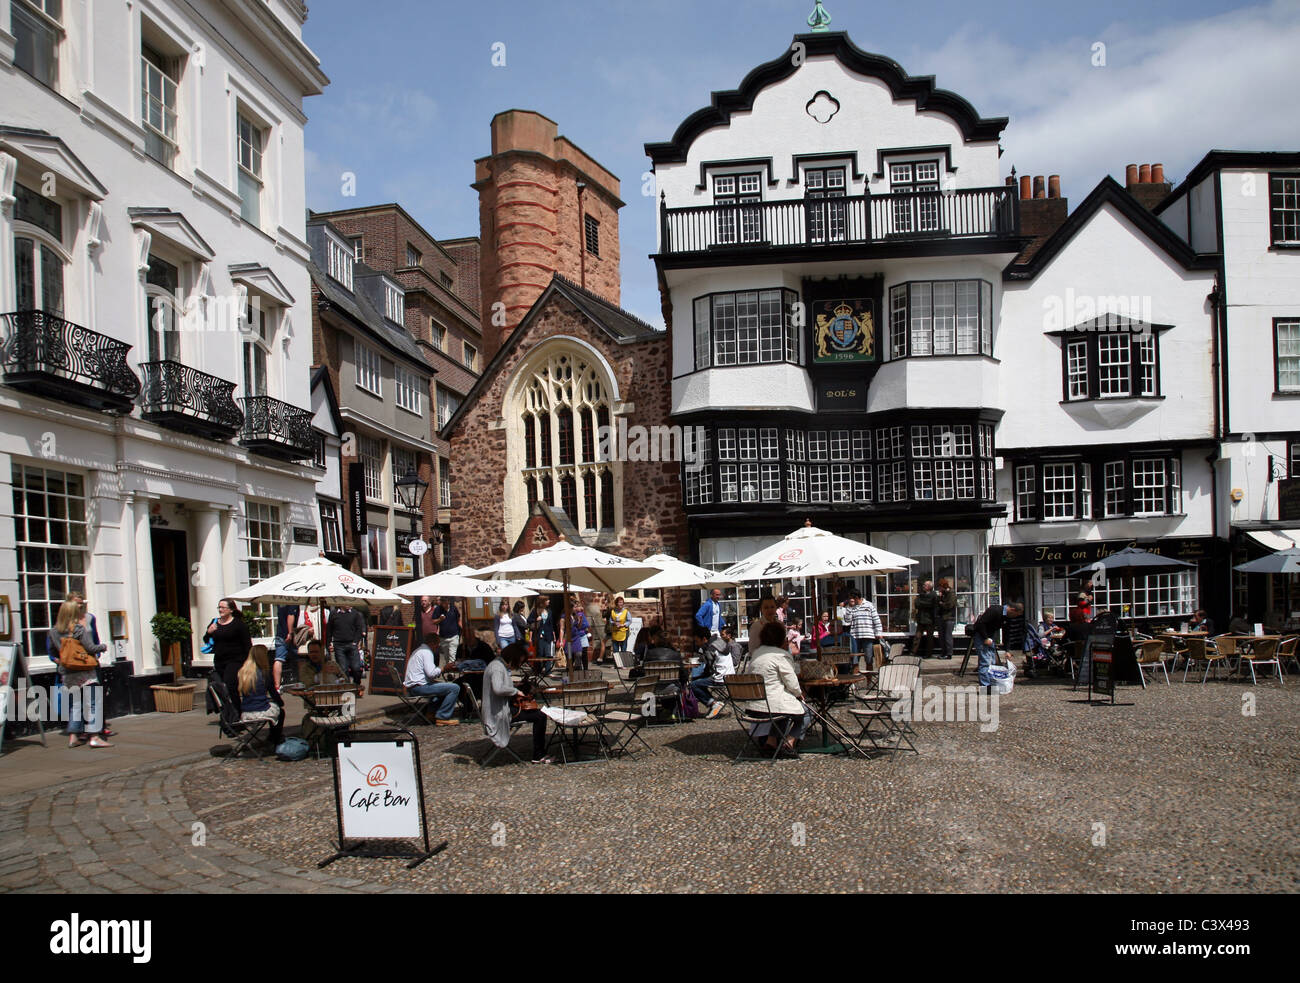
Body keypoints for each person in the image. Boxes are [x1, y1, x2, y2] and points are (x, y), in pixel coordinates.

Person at [51, 598, 111, 748]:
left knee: (75, 704)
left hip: (67, 672)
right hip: (84, 670)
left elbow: (56, 651)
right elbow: (90, 648)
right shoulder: (77, 629)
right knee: (93, 703)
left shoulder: (53, 631)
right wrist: (103, 647)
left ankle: (73, 737)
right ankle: (95, 737)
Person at [746, 621, 812, 755]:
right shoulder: (781, 655)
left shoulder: (757, 654)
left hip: (753, 706)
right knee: (807, 712)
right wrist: (799, 694)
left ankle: (771, 742)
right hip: (772, 705)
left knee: (784, 710)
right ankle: (789, 742)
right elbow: (792, 682)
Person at [483, 641, 552, 764]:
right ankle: (538, 754)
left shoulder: (497, 665)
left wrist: (516, 686)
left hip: (498, 709)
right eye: (519, 662)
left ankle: (539, 752)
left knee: (537, 713)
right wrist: (515, 691)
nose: (519, 665)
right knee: (540, 716)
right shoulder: (497, 668)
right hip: (498, 713)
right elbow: (498, 688)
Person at [204, 598, 252, 713]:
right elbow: (206, 640)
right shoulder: (214, 622)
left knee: (230, 686)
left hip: (235, 660)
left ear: (231, 610)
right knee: (221, 689)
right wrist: (208, 632)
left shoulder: (238, 624)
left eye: (223, 607)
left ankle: (236, 714)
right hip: (220, 661)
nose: (220, 610)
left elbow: (247, 645)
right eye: (219, 607)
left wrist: (248, 662)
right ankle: (227, 714)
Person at [403, 632, 461, 725]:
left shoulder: (419, 650)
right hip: (419, 687)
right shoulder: (426, 652)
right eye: (437, 644)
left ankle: (431, 712)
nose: (437, 647)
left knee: (442, 687)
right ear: (432, 643)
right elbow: (431, 673)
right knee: (454, 688)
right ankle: (443, 716)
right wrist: (444, 668)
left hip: (413, 686)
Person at [972, 601, 1024, 690]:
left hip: (990, 637)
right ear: (1012, 610)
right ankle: (985, 687)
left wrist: (1007, 650)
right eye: (1015, 615)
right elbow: (981, 623)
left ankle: (991, 685)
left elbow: (1007, 633)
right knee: (985, 662)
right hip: (982, 636)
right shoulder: (995, 610)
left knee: (992, 663)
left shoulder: (1007, 617)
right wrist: (985, 638)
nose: (1015, 617)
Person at [687, 624, 728, 718]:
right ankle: (712, 704)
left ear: (704, 639)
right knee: (698, 682)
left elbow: (709, 667)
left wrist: (698, 676)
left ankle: (713, 704)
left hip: (720, 678)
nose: (696, 644)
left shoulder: (710, 648)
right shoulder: (719, 642)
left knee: (694, 684)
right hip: (729, 675)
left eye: (697, 641)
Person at [237, 644, 283, 728]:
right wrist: (280, 702)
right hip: (261, 709)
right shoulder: (264, 673)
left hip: (246, 711)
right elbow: (273, 693)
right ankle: (275, 737)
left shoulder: (242, 673)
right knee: (280, 712)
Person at [330, 603, 367, 686]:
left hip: (352, 644)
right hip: (339, 645)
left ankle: (357, 684)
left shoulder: (355, 613)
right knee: (343, 669)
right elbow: (330, 629)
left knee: (356, 668)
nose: (348, 604)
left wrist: (356, 641)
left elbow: (359, 628)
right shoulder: (334, 613)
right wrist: (329, 642)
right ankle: (347, 688)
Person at [846, 591, 883, 666]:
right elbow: (847, 620)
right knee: (855, 658)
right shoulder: (851, 607)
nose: (850, 600)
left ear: (856, 598)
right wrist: (849, 608)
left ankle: (869, 676)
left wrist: (879, 633)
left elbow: (876, 619)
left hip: (867, 635)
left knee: (868, 657)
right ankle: (855, 675)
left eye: (851, 599)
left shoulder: (869, 605)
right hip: (855, 636)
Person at [272, 603, 300, 692]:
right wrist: (290, 632)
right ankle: (300, 681)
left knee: (278, 659)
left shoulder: (281, 602)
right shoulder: (293, 601)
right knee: (299, 658)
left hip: (279, 634)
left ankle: (277, 686)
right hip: (288, 636)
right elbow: (290, 616)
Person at [527, 595, 556, 670]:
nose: (549, 601)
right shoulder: (535, 611)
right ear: (542, 602)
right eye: (547, 600)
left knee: (548, 653)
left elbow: (551, 624)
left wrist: (553, 635)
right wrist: (536, 619)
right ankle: (538, 670)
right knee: (540, 653)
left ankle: (548, 670)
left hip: (548, 634)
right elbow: (529, 620)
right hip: (538, 635)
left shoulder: (549, 611)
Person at [913, 579, 939, 659]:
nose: (923, 586)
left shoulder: (933, 595)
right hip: (921, 618)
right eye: (923, 585)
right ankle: (913, 652)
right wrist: (923, 603)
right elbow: (916, 603)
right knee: (917, 636)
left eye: (925, 585)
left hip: (930, 619)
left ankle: (928, 654)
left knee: (929, 638)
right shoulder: (921, 594)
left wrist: (922, 603)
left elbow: (932, 605)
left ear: (929, 587)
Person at [432, 597, 462, 664]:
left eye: (443, 601)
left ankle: (451, 673)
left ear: (448, 601)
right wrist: (440, 619)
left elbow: (458, 619)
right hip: (443, 637)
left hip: (454, 636)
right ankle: (449, 671)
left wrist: (462, 628)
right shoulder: (438, 609)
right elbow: (433, 621)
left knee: (452, 656)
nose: (442, 602)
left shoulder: (453, 608)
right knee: (446, 657)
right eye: (441, 600)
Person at [568, 596, 590, 671]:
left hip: (582, 635)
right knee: (574, 654)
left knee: (584, 653)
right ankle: (571, 669)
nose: (581, 608)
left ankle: (585, 669)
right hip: (575, 637)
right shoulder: (571, 616)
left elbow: (586, 625)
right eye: (577, 606)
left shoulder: (581, 614)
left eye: (580, 606)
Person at [937, 578, 957, 661]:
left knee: (947, 636)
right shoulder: (944, 594)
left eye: (939, 586)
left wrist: (941, 603)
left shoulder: (951, 593)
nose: (939, 588)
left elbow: (950, 605)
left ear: (943, 586)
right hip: (942, 617)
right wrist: (940, 598)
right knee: (941, 636)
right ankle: (943, 652)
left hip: (949, 617)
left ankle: (949, 654)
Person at [585, 593, 607, 665]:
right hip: (604, 628)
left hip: (605, 628)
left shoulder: (606, 608)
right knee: (603, 643)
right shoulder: (602, 608)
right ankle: (601, 658)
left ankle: (600, 658)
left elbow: (604, 618)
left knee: (603, 643)